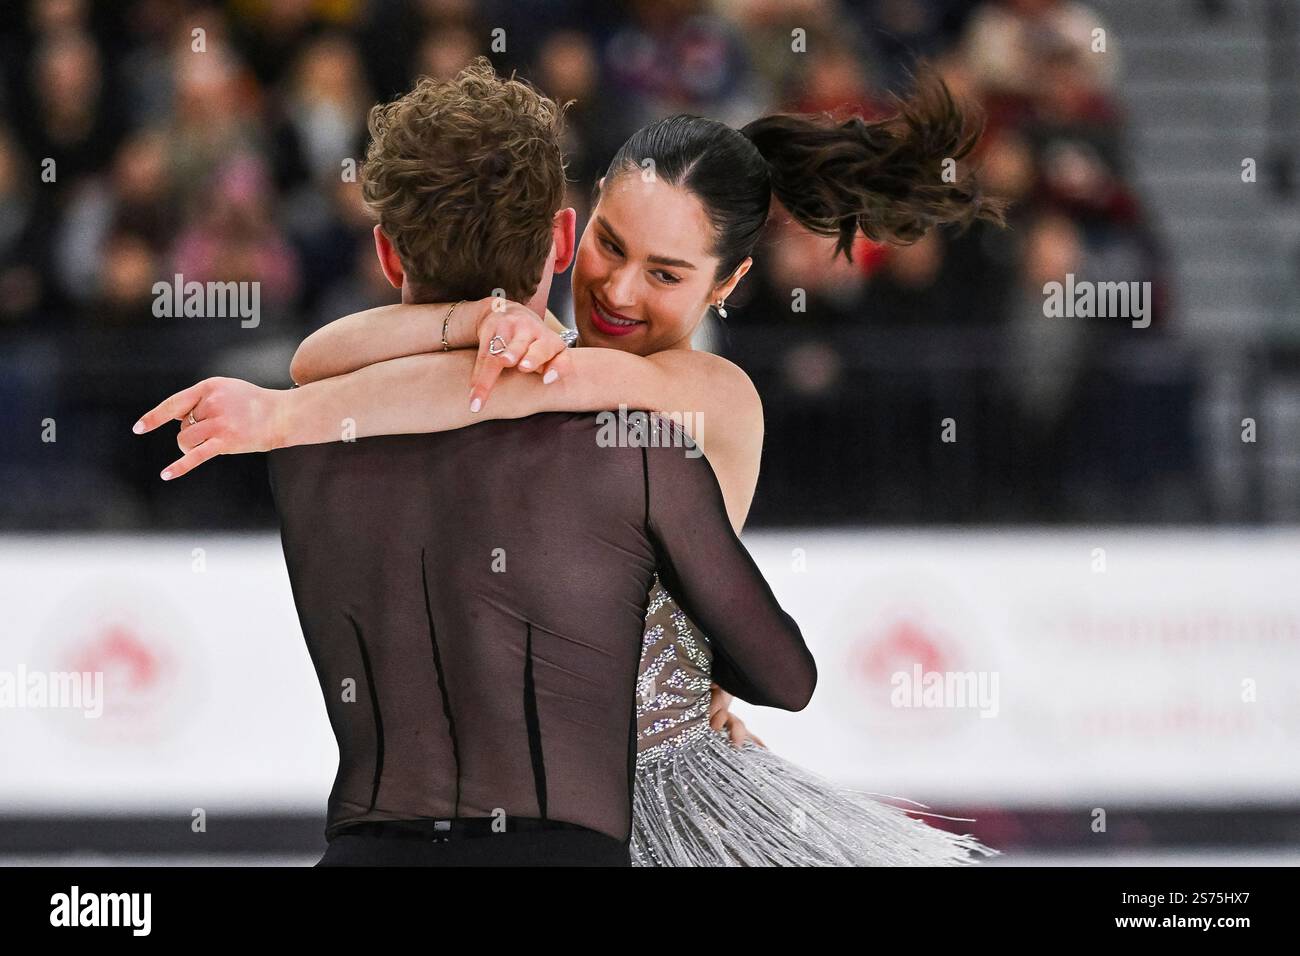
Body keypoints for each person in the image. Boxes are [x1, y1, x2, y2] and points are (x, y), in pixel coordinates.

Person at [138, 57, 1004, 865]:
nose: (619, 291)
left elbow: (473, 387)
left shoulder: (701, 391)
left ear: (725, 286)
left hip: (670, 798)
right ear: (573, 226)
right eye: (610, 243)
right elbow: (335, 351)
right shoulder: (534, 353)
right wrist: (474, 323)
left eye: (666, 276)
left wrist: (291, 416)